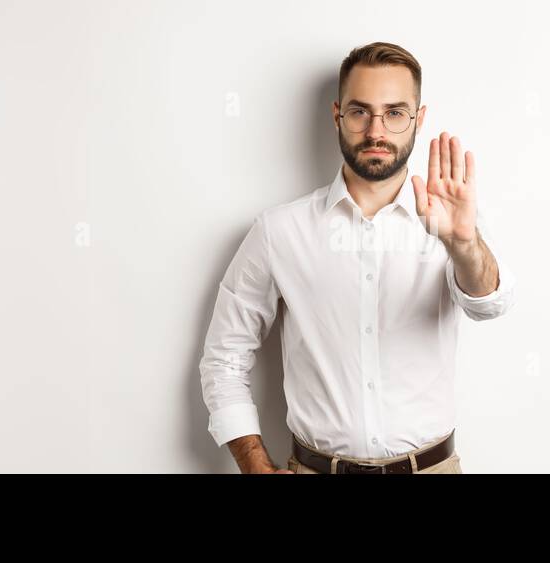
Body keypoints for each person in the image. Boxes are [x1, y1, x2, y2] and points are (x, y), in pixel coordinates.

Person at [199, 41, 516, 474]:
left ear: (418, 120)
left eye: (395, 113)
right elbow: (225, 356)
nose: (375, 131)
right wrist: (254, 465)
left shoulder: (453, 223)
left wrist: (462, 244)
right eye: (359, 111)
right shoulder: (279, 231)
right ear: (337, 115)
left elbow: (490, 303)